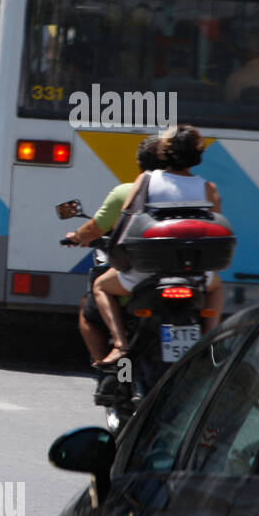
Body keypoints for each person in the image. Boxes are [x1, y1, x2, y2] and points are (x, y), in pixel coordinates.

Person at [92, 125, 223, 367]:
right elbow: (212, 231)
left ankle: (120, 345)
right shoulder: (208, 188)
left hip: (146, 271)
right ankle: (207, 342)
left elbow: (127, 218)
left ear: (165, 153)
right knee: (216, 288)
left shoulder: (147, 180)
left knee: (100, 286)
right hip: (192, 273)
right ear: (198, 155)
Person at [67, 136, 167, 364]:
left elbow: (94, 228)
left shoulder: (127, 192)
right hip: (184, 272)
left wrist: (77, 236)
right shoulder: (188, 191)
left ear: (140, 166)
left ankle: (114, 353)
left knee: (95, 296)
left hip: (141, 273)